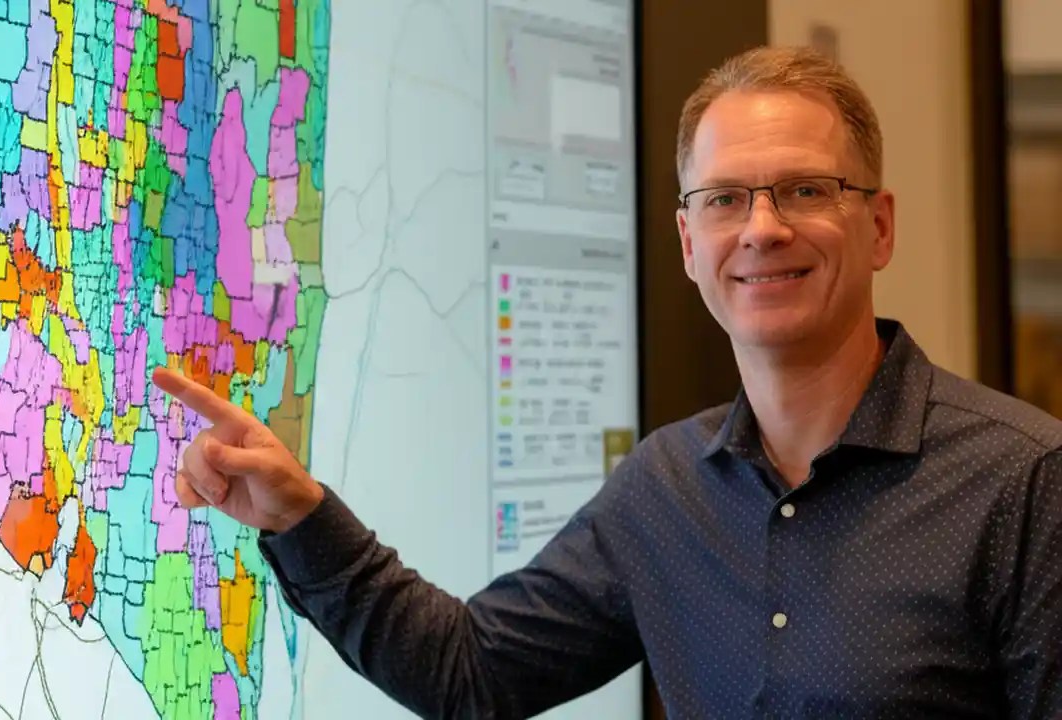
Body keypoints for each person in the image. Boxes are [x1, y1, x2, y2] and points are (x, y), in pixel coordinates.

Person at [152, 45, 1062, 719]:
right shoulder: (667, 491)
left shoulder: (1024, 480)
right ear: (688, 244)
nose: (762, 228)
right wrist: (300, 515)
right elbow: (472, 673)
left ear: (881, 228)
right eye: (725, 198)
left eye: (807, 191)